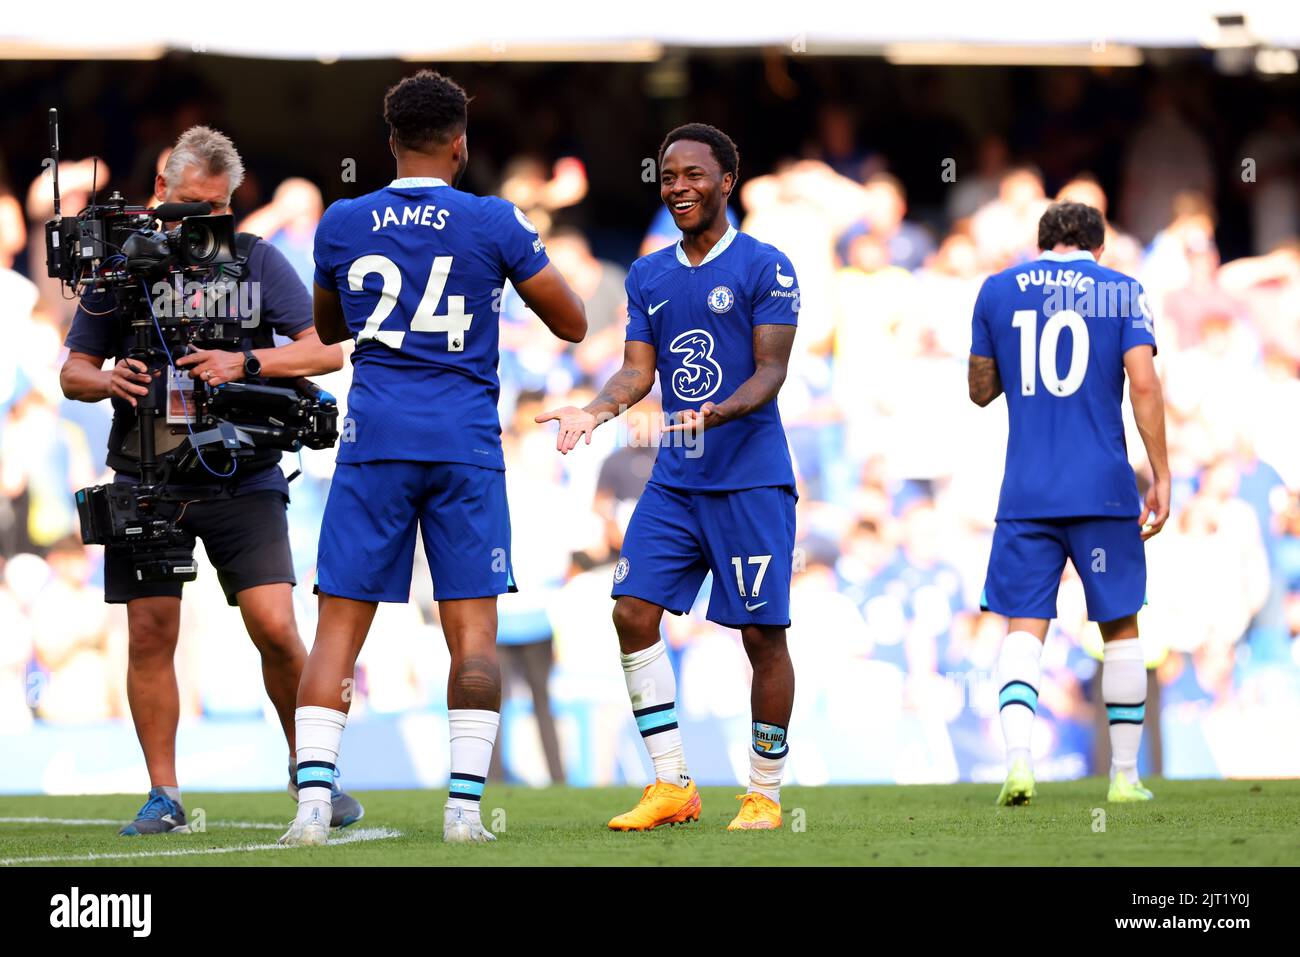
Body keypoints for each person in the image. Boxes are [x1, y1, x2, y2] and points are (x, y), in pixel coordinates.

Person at [280, 70, 585, 846]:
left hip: (374, 441)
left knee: (338, 631)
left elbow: (331, 324)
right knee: (475, 637)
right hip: (464, 447)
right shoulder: (492, 220)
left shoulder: (344, 220)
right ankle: (463, 814)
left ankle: (313, 807)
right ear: (461, 145)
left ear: (390, 142)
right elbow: (575, 323)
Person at [59, 125, 361, 835]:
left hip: (243, 472)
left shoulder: (256, 259)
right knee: (150, 634)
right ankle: (164, 792)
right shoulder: (118, 263)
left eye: (217, 207)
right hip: (145, 472)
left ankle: (310, 773)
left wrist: (247, 364)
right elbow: (71, 369)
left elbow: (325, 348)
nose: (205, 221)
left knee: (277, 627)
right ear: (161, 188)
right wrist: (106, 378)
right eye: (192, 204)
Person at [536, 123, 800, 831]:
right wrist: (593, 412)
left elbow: (771, 373)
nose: (678, 186)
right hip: (677, 480)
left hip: (750, 479)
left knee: (762, 636)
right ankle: (672, 783)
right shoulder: (649, 273)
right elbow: (637, 370)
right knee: (629, 610)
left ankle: (765, 793)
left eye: (692, 174)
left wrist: (717, 412)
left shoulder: (767, 266)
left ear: (726, 181)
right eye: (667, 175)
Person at [967, 201, 1170, 805]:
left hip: (1028, 493)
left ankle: (1020, 763)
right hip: (1103, 491)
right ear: (1098, 248)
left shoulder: (999, 290)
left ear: (1043, 243)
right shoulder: (1121, 290)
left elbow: (980, 392)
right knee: (1121, 628)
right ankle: (1126, 779)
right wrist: (1160, 473)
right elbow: (1144, 383)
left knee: (1023, 629)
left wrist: (1017, 357)